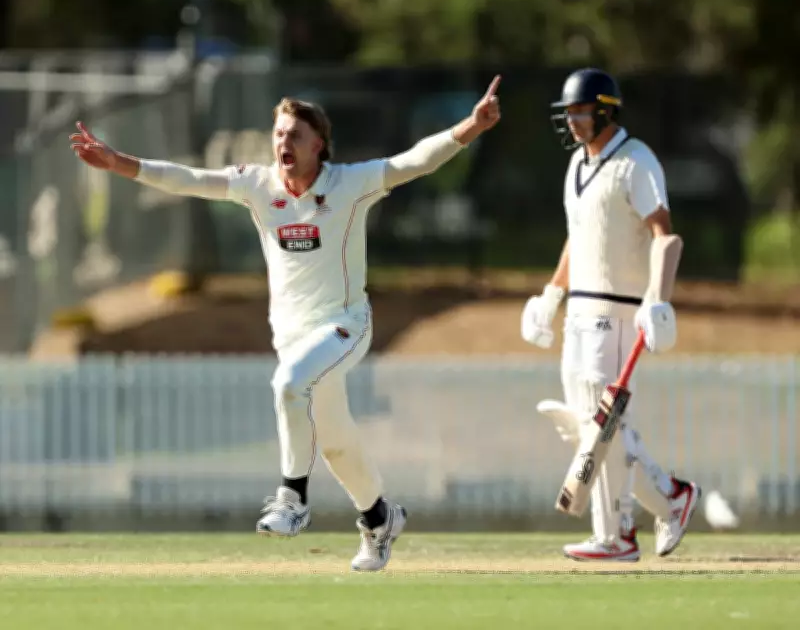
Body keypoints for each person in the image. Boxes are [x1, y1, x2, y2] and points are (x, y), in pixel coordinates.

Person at [70, 76, 502, 571]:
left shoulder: (351, 184)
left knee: (289, 384)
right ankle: (380, 518)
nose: (283, 142)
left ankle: (292, 499)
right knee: (334, 440)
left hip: (344, 325)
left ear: (319, 145)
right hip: (292, 336)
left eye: (295, 135)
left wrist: (471, 126)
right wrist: (119, 163)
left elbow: (415, 161)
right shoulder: (258, 185)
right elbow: (188, 178)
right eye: (278, 133)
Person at [521, 68, 700, 562]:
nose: (572, 121)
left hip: (619, 314)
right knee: (592, 427)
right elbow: (579, 238)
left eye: (580, 112)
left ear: (604, 111)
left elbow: (665, 235)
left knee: (604, 423)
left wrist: (658, 298)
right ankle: (667, 500)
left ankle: (618, 535)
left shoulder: (636, 161)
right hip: (579, 311)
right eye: (568, 113)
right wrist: (551, 295)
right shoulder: (576, 164)